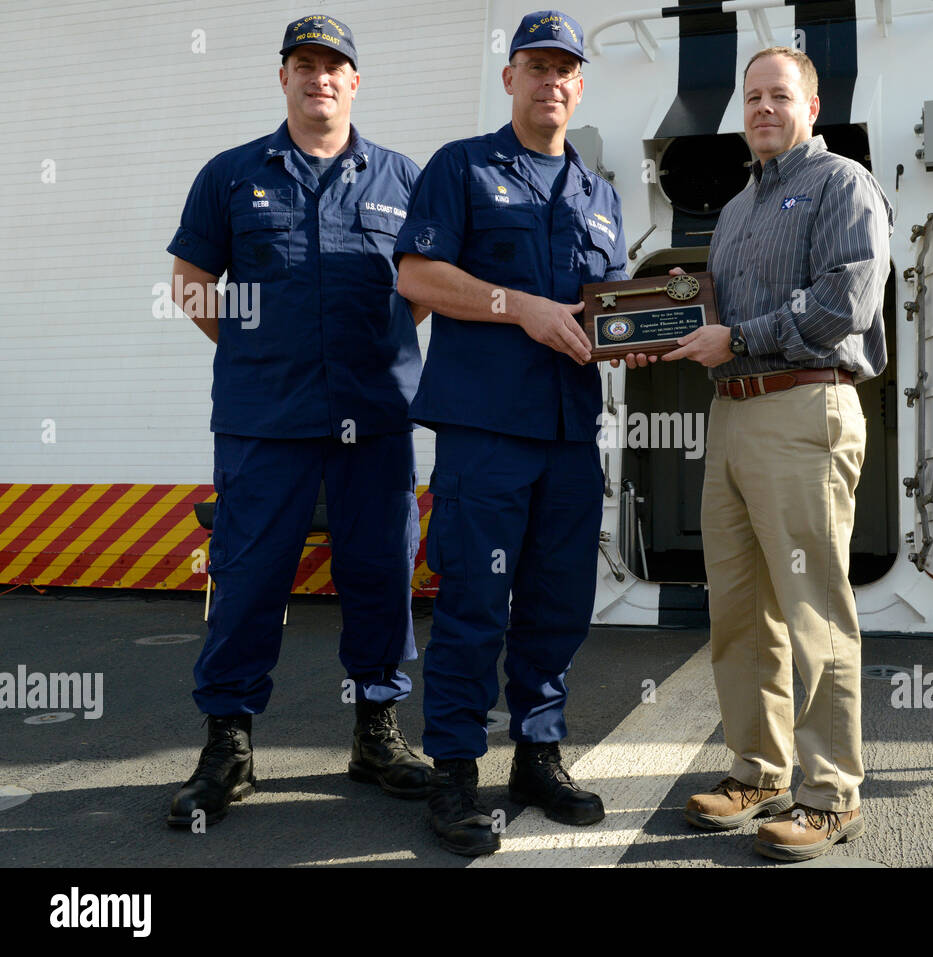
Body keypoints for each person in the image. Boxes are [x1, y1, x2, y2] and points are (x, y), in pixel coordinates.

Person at [164, 15, 434, 829]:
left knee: (381, 574)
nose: (321, 77)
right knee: (246, 579)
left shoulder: (403, 177)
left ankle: (376, 732)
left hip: (375, 419)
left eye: (336, 66)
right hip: (263, 423)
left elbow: (422, 286)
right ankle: (228, 744)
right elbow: (189, 282)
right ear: (282, 77)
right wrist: (258, 349)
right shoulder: (230, 175)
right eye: (305, 64)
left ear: (355, 82)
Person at [394, 10, 627, 857]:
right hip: (487, 431)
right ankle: (456, 768)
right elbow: (417, 274)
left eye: (566, 69)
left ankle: (537, 752)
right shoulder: (462, 167)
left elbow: (609, 311)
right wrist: (516, 306)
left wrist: (650, 329)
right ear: (511, 79)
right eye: (537, 66)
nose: (552, 81)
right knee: (473, 606)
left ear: (577, 85)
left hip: (570, 435)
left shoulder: (601, 194)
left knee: (558, 605)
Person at [659, 46, 894, 861]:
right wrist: (668, 334)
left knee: (813, 609)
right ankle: (758, 769)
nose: (762, 108)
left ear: (812, 105)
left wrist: (738, 338)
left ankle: (831, 795)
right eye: (752, 97)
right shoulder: (733, 210)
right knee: (740, 608)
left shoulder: (842, 186)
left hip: (804, 405)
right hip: (733, 414)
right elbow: (713, 313)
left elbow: (843, 303)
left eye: (779, 96)